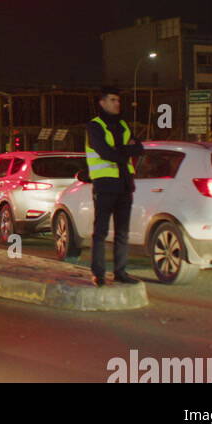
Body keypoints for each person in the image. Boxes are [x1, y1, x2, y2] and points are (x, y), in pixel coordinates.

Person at [84, 86, 144, 287]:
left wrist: (121, 149)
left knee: (122, 232)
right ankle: (98, 274)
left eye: (118, 100)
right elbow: (104, 153)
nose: (117, 103)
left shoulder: (124, 125)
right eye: (112, 100)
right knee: (100, 232)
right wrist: (127, 149)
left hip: (126, 184)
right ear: (102, 103)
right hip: (105, 184)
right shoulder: (94, 126)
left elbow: (140, 149)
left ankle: (120, 272)